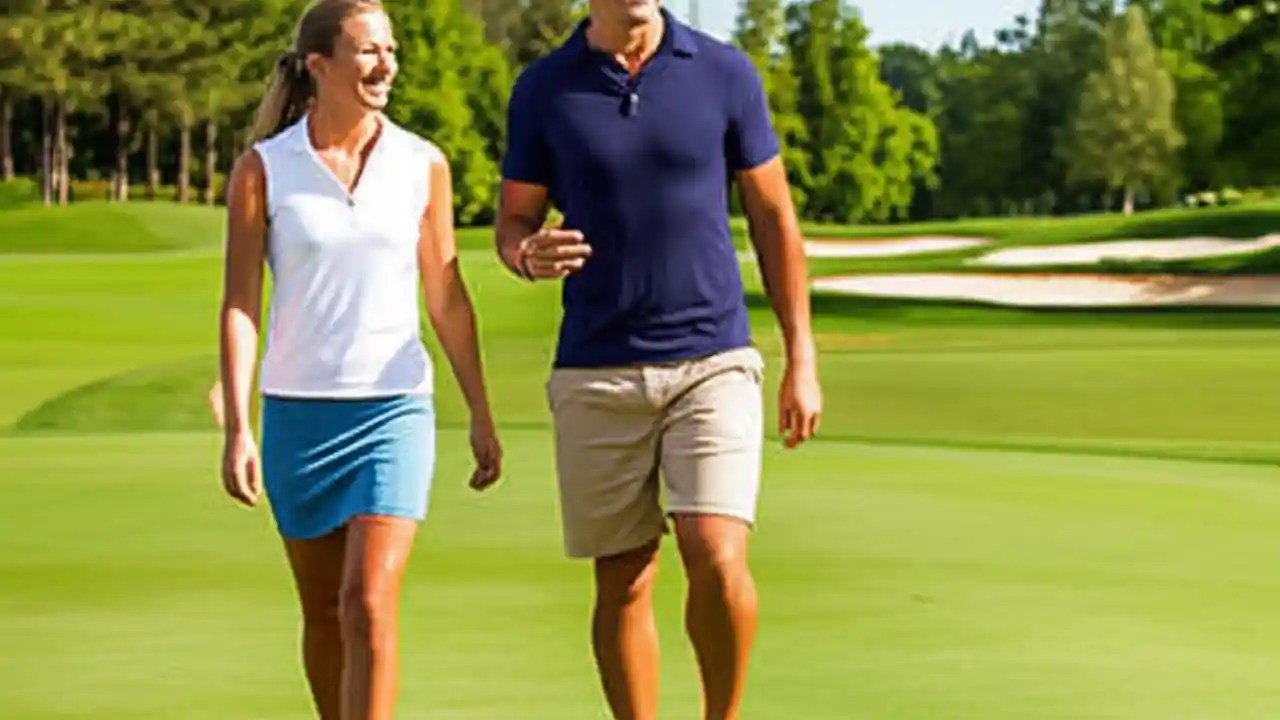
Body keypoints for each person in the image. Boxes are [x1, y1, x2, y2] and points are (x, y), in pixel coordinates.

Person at [494, 1, 821, 718]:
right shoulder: (545, 88)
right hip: (595, 367)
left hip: (713, 358)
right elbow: (514, 218)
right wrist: (525, 253)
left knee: (716, 554)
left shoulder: (725, 73)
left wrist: (802, 356)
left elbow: (773, 216)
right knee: (625, 580)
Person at [217, 1, 502, 718]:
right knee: (322, 614)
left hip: (393, 409)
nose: (387, 65)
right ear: (319, 65)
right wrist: (238, 428)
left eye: (391, 50)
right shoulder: (263, 170)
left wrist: (480, 412)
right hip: (297, 415)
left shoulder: (421, 163)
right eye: (369, 50)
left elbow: (446, 296)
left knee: (367, 601)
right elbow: (241, 304)